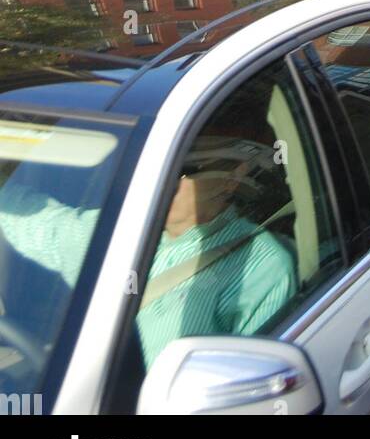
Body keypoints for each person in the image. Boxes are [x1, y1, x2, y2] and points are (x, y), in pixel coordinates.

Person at [0, 130, 297, 374]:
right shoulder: (112, 231)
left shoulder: (261, 266)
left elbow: (253, 382)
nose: (164, 181)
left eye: (184, 170)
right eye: (159, 168)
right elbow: (33, 220)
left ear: (232, 179)